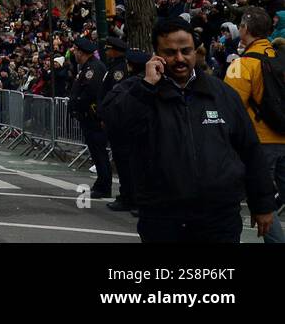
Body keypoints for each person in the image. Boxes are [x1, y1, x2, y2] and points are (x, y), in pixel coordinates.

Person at [102, 18, 277, 242]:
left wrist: (262, 203)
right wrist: (146, 88)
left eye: (186, 51)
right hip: (162, 218)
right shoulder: (138, 90)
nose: (180, 59)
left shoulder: (221, 94)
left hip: (219, 219)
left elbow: (250, 150)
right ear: (156, 54)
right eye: (170, 52)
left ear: (196, 51)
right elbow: (115, 123)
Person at [223, 7, 285, 244]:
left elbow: (230, 105)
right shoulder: (280, 56)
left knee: (262, 199)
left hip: (260, 141)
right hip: (283, 135)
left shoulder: (243, 64)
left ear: (245, 29)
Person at [68, 37, 112, 199]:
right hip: (88, 116)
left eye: (76, 51)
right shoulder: (88, 66)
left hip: (93, 116)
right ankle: (101, 183)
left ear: (82, 52)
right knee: (96, 152)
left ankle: (103, 185)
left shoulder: (93, 68)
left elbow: (90, 92)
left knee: (99, 152)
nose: (74, 54)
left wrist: (77, 104)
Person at [98, 38, 134, 211]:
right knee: (121, 161)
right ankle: (126, 194)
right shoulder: (114, 66)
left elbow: (115, 96)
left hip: (119, 121)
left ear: (116, 50)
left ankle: (128, 196)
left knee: (124, 161)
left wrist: (108, 116)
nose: (107, 52)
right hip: (115, 120)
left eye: (109, 49)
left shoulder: (119, 70)